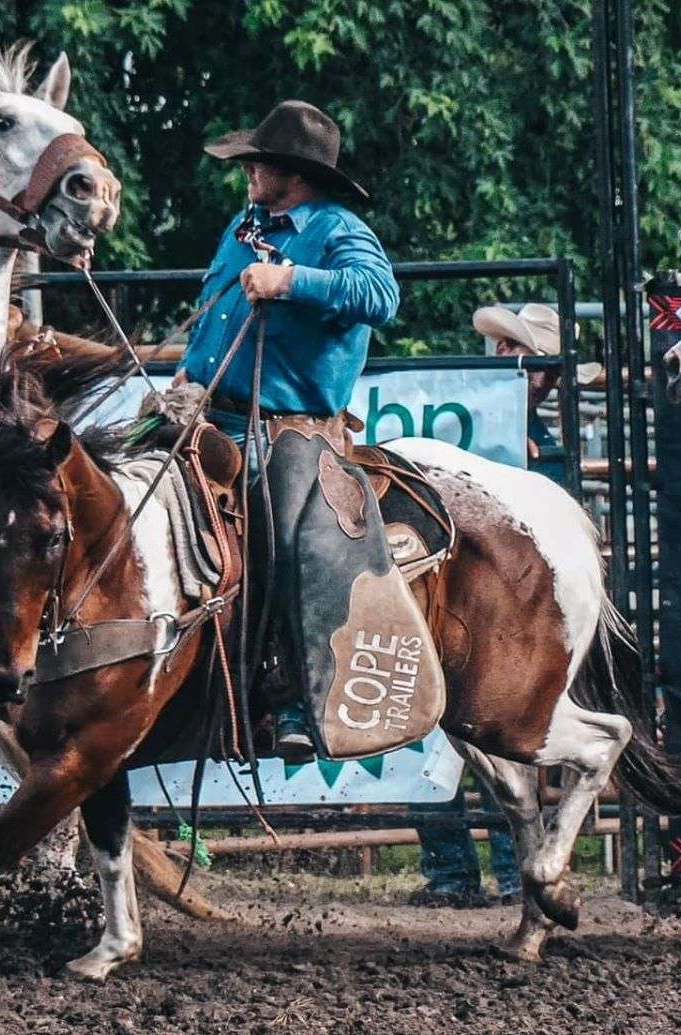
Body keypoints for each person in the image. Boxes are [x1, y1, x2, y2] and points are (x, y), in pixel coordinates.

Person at [174, 101, 441, 764]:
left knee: (286, 536)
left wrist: (289, 279)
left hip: (291, 428)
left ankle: (289, 690)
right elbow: (213, 317)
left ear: (290, 173)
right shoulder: (243, 226)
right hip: (210, 410)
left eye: (257, 163)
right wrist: (183, 379)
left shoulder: (337, 230)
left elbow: (379, 297)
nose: (247, 173)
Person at [471, 301, 606, 463]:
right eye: (533, 366)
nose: (541, 383)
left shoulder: (541, 440)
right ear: (502, 350)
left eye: (552, 374)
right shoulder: (462, 398)